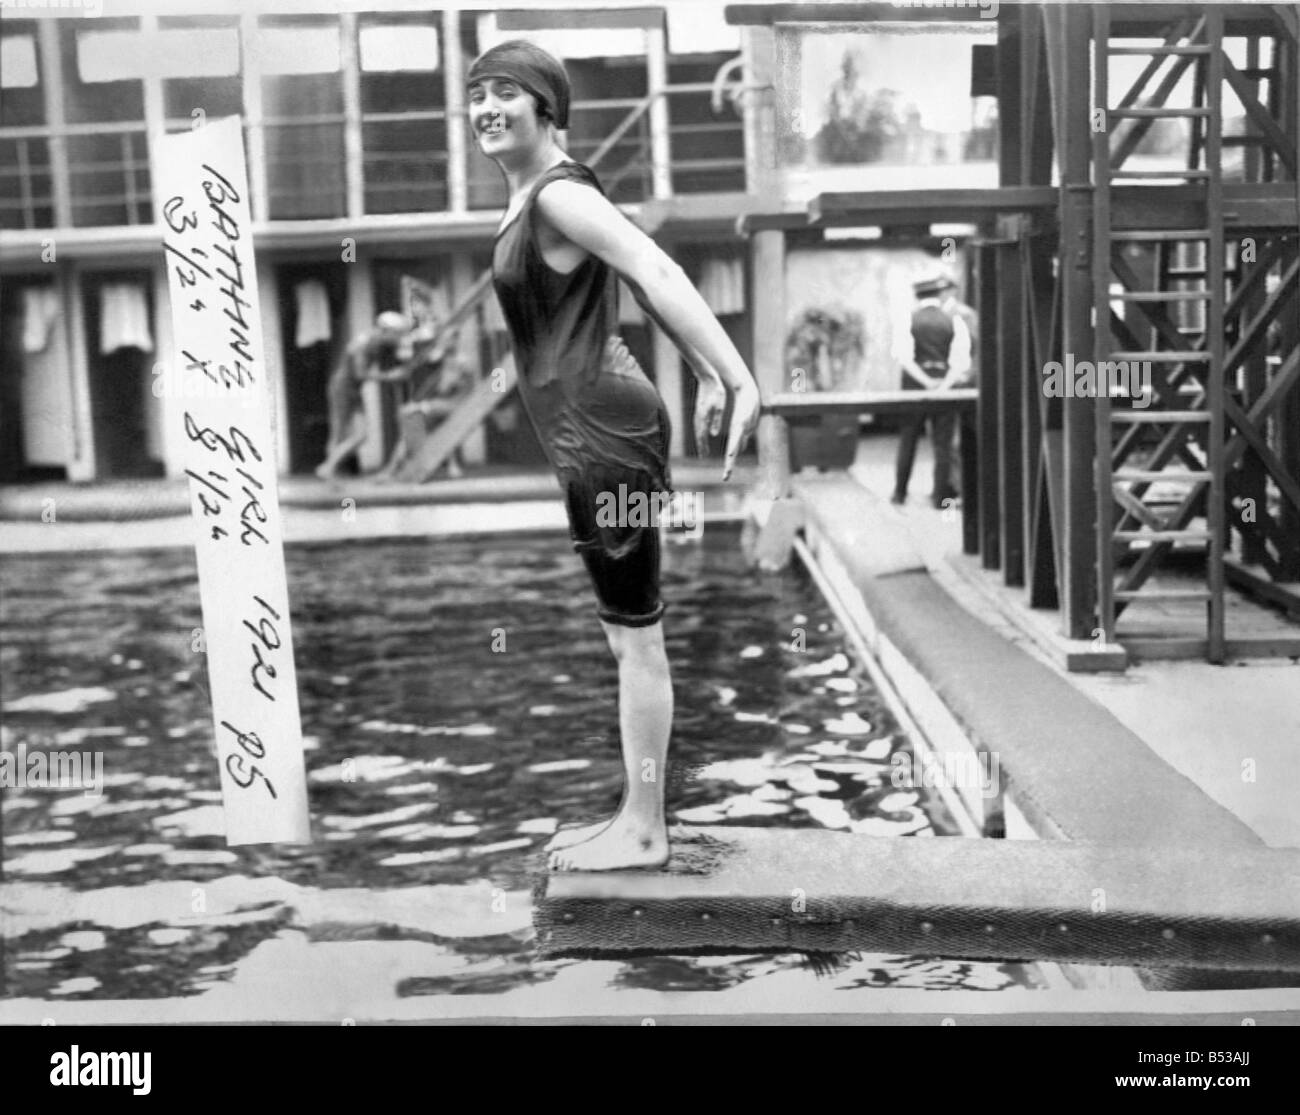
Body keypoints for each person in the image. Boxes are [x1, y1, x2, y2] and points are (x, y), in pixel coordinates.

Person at [468, 39, 761, 872]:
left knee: (637, 637)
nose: (487, 106)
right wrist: (702, 372)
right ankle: (637, 814)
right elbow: (629, 286)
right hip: (592, 432)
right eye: (477, 92)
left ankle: (643, 829)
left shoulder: (558, 195)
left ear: (547, 108)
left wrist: (737, 377)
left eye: (506, 92)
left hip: (605, 435)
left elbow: (653, 266)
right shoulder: (537, 194)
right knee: (625, 631)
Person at [891, 272, 972, 508]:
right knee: (942, 444)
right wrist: (942, 384)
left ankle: (900, 493)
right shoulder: (953, 321)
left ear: (917, 295)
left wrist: (925, 382)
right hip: (944, 387)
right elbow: (960, 362)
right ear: (938, 294)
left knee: (908, 439)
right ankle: (940, 497)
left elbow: (904, 358)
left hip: (914, 387)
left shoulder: (908, 319)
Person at [315, 311, 413, 480]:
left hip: (353, 390)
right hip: (342, 389)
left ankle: (329, 467)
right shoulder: (364, 343)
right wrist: (390, 376)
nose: (398, 338)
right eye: (396, 334)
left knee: (361, 435)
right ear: (385, 331)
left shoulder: (377, 343)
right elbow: (360, 374)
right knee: (339, 432)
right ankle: (329, 469)